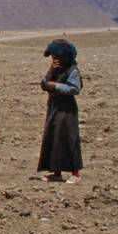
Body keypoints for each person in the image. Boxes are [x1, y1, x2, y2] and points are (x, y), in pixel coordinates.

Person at [37, 38, 82, 183]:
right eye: (53, 57)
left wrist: (56, 86)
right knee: (54, 137)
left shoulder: (72, 70)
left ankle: (75, 174)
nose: (55, 60)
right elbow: (44, 84)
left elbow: (75, 89)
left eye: (57, 57)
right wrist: (51, 70)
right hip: (54, 107)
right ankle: (56, 173)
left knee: (68, 138)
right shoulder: (55, 70)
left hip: (66, 108)